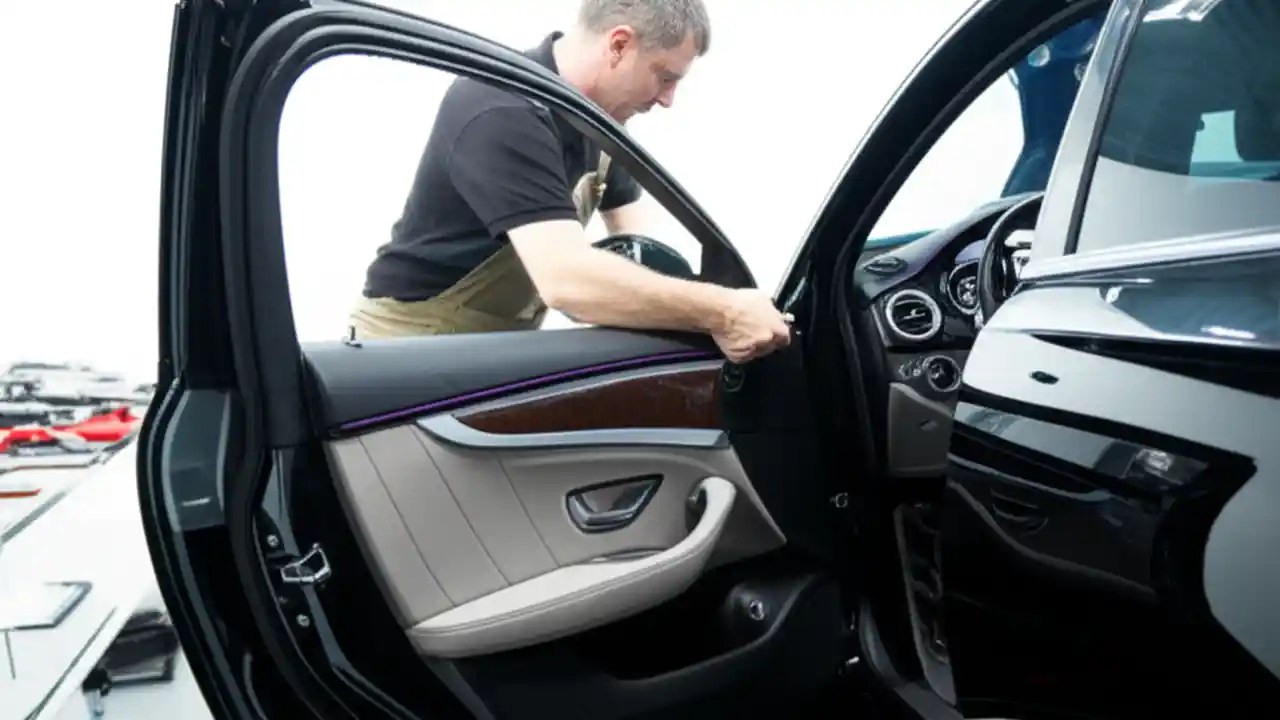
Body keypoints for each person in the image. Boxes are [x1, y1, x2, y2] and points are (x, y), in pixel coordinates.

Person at [348, 0, 791, 364]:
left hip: (486, 349)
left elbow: (640, 247)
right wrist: (723, 312)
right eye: (665, 76)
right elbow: (568, 282)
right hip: (404, 356)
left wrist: (722, 304)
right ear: (619, 44)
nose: (668, 100)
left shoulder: (599, 123)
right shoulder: (502, 108)